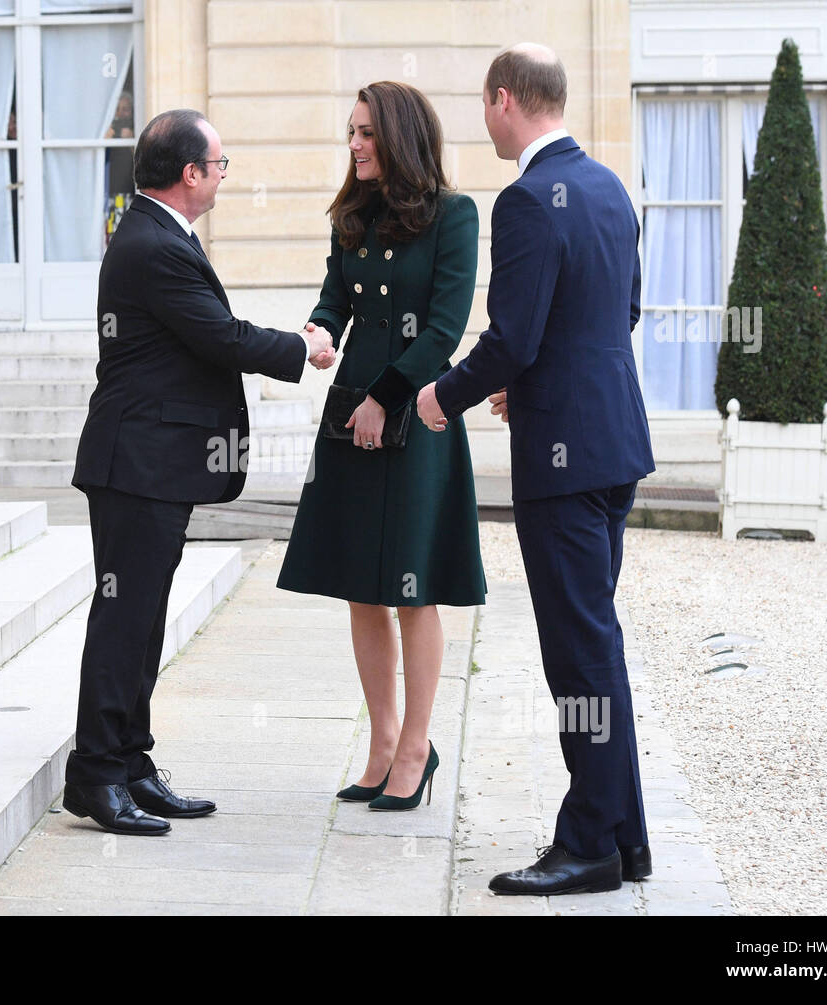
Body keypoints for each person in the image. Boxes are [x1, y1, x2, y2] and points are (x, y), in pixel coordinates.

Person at [417, 43, 657, 893]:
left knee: (578, 650)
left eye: (485, 106)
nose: (484, 121)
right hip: (612, 443)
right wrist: (537, 381)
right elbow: (616, 312)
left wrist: (443, 395)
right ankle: (623, 837)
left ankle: (590, 841)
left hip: (564, 460)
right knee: (597, 639)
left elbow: (514, 336)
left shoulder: (524, 200)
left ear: (507, 99)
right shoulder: (611, 190)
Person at [65, 109, 336, 836]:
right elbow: (218, 337)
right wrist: (300, 346)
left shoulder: (158, 234)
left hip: (154, 462)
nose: (222, 174)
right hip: (137, 462)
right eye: (219, 164)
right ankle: (96, 773)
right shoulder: (154, 244)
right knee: (125, 619)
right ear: (190, 174)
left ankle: (130, 762)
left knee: (142, 617)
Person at [277, 82, 486, 812]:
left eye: (366, 133)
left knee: (410, 586)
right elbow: (335, 294)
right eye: (351, 134)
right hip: (350, 410)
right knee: (362, 587)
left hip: (415, 412)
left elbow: (445, 329)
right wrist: (319, 331)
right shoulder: (353, 214)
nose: (356, 145)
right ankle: (382, 742)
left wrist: (383, 398)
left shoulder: (456, 216)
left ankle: (418, 747)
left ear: (398, 135)